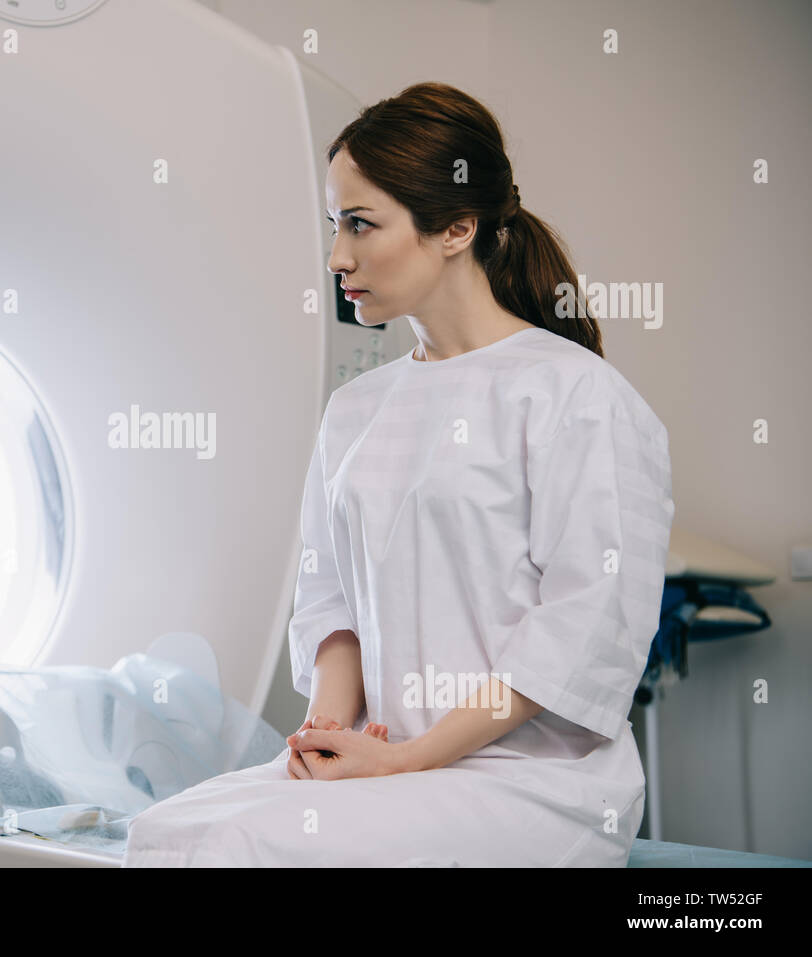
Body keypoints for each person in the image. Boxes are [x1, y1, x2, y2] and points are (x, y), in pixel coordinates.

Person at [123, 82, 674, 867]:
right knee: (164, 834)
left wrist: (411, 758)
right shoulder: (356, 408)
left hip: (525, 780)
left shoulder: (574, 394)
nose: (337, 256)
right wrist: (329, 736)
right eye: (333, 224)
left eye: (360, 224)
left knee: (250, 848)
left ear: (456, 227)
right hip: (386, 766)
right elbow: (329, 601)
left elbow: (582, 625)